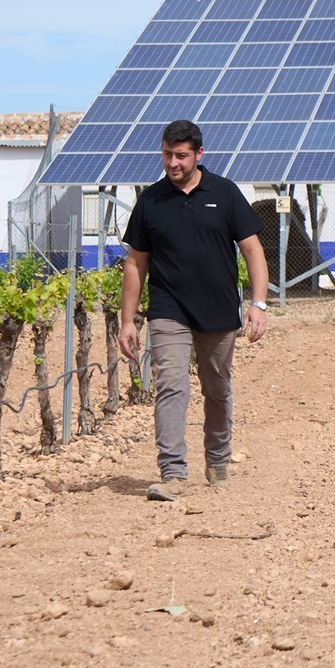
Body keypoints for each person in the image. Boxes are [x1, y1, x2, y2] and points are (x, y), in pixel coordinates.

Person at [118, 119, 269, 500]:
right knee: (171, 384)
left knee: (217, 387)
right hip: (168, 308)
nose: (173, 163)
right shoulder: (151, 201)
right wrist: (127, 320)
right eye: (167, 155)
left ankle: (217, 460)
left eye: (181, 156)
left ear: (199, 154)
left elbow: (252, 249)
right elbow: (136, 263)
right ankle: (173, 473)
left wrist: (258, 304)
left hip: (219, 310)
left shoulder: (225, 192)